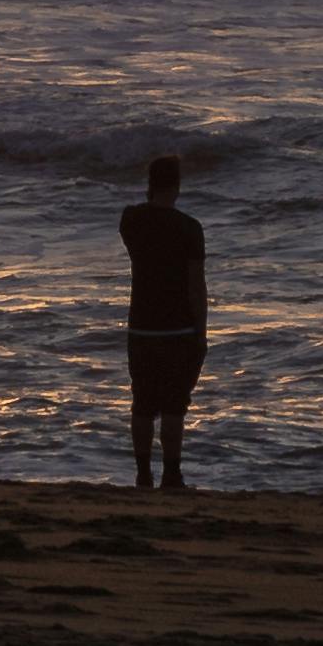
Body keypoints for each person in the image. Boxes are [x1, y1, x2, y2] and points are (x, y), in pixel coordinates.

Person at [121, 154, 207, 491]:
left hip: (140, 325)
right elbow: (196, 286)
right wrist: (201, 333)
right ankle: (172, 474)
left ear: (150, 183)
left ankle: (143, 474)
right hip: (179, 328)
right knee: (174, 405)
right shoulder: (189, 228)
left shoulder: (130, 221)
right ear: (178, 185)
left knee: (142, 402)